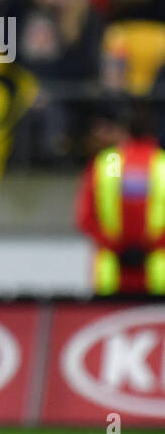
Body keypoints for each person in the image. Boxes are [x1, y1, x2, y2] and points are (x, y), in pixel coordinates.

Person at [74, 103, 165, 296]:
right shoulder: (162, 164)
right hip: (158, 270)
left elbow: (85, 218)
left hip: (111, 270)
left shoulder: (107, 163)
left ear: (125, 131)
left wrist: (115, 246)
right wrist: (152, 246)